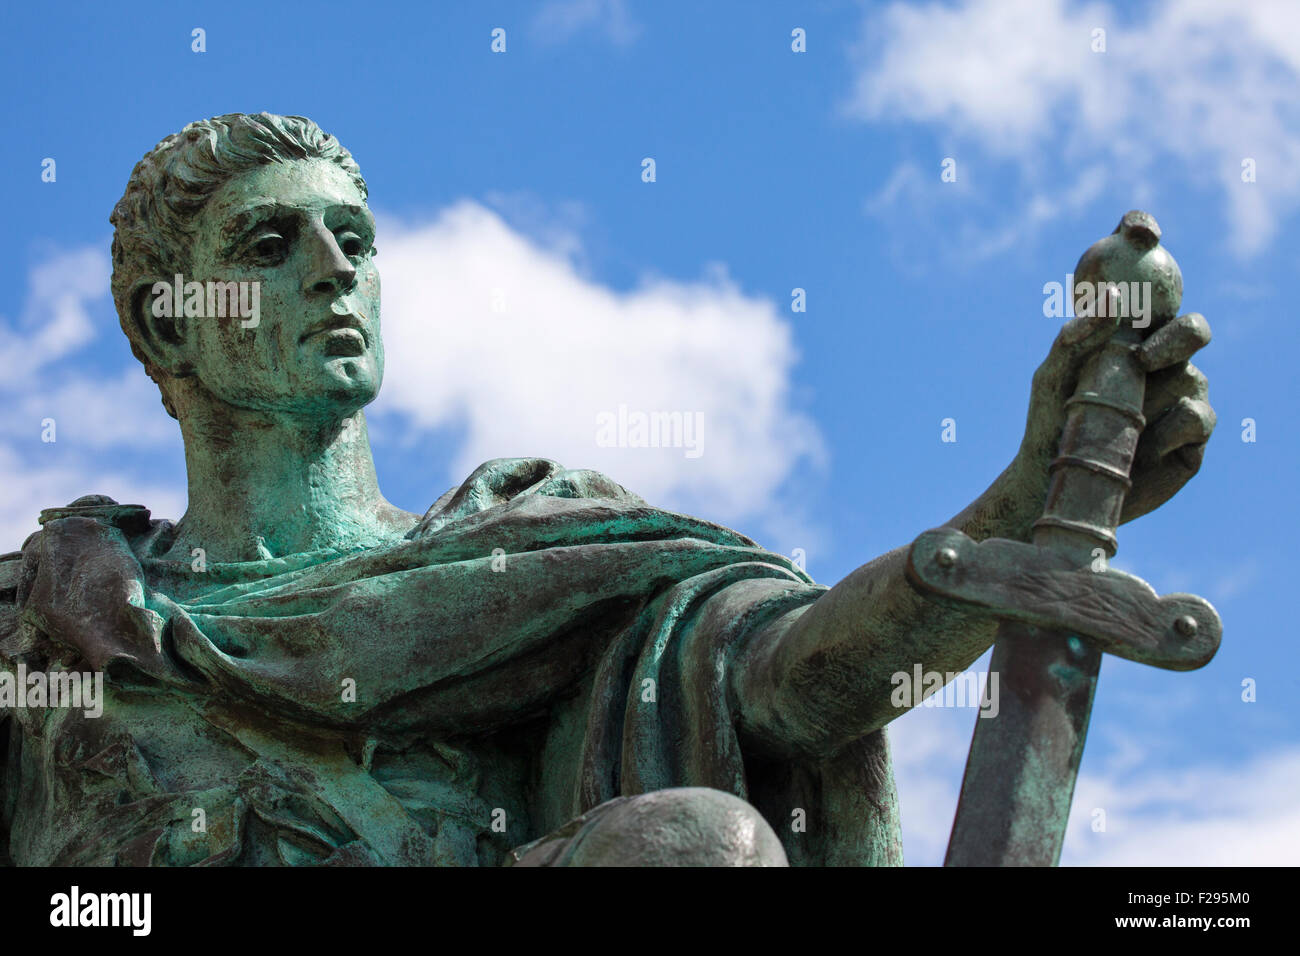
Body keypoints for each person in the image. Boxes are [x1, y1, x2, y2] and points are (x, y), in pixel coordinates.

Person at [0, 113, 1216, 866]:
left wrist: (1015, 505)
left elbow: (792, 678)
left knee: (696, 845)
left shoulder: (529, 553)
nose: (335, 272)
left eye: (356, 241)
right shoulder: (52, 620)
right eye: (273, 247)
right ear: (171, 326)